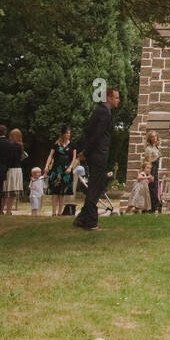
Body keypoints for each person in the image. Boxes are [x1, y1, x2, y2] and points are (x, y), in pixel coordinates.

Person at [74, 87, 119, 232]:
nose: (118, 100)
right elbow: (96, 134)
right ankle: (91, 222)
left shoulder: (102, 112)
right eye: (116, 98)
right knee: (95, 187)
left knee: (97, 186)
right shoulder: (103, 113)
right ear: (109, 98)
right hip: (98, 154)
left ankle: (81, 218)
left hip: (98, 153)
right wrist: (86, 152)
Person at [45, 128, 77, 218]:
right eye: (67, 133)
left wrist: (70, 167)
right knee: (55, 192)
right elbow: (50, 156)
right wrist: (46, 166)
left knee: (62, 192)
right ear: (63, 134)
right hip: (56, 169)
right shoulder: (56, 145)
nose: (68, 135)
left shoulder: (72, 145)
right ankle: (53, 212)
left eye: (69, 133)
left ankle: (60, 212)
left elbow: (74, 158)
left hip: (66, 170)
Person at [3, 129, 26, 215]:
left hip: (11, 169)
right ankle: (9, 210)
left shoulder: (12, 146)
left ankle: (2, 209)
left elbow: (10, 159)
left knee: (6, 191)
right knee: (12, 192)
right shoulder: (20, 146)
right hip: (18, 169)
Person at [144, 130, 161, 213]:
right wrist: (150, 174)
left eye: (155, 136)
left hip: (156, 170)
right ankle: (149, 209)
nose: (154, 138)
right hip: (152, 169)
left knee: (155, 189)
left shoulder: (156, 147)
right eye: (152, 137)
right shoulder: (148, 149)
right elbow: (148, 162)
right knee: (151, 189)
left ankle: (154, 208)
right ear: (149, 138)